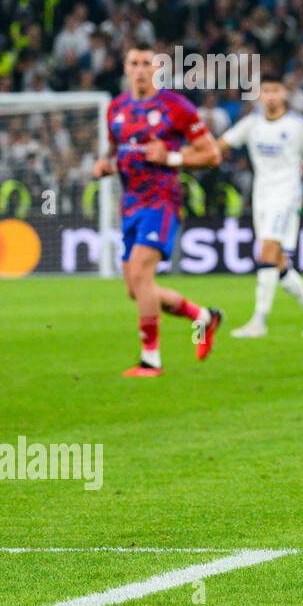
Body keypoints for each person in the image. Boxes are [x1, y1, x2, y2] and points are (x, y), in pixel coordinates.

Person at [91, 44, 222, 376]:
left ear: (157, 69)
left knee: (141, 274)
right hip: (130, 203)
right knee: (135, 289)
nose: (140, 69)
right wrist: (105, 164)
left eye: (146, 63)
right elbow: (114, 147)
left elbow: (212, 155)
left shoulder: (175, 107)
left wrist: (172, 158)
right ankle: (203, 317)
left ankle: (151, 359)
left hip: (162, 201)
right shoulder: (116, 109)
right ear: (125, 68)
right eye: (134, 63)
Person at [218, 80, 303, 338]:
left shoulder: (297, 124)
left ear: (285, 94)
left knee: (267, 253)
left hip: (286, 196)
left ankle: (259, 321)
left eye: (275, 91)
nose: (271, 96)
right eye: (266, 91)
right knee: (278, 262)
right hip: (261, 197)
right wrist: (184, 152)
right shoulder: (252, 123)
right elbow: (220, 145)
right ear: (260, 95)